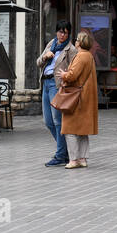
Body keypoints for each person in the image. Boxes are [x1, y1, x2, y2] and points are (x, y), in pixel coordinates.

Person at [57, 31, 98, 168]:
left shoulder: (80, 56)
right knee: (82, 130)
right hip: (86, 97)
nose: (75, 41)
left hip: (77, 98)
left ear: (80, 42)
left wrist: (64, 74)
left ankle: (73, 159)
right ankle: (83, 158)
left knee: (70, 129)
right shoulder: (90, 56)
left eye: (76, 40)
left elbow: (72, 75)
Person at [37, 23, 76, 167]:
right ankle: (65, 152)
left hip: (57, 85)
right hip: (45, 84)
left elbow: (74, 70)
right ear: (56, 32)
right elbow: (38, 62)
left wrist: (65, 79)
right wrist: (46, 56)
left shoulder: (71, 50)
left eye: (65, 33)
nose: (62, 35)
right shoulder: (51, 44)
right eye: (60, 32)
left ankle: (60, 155)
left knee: (57, 120)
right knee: (48, 121)